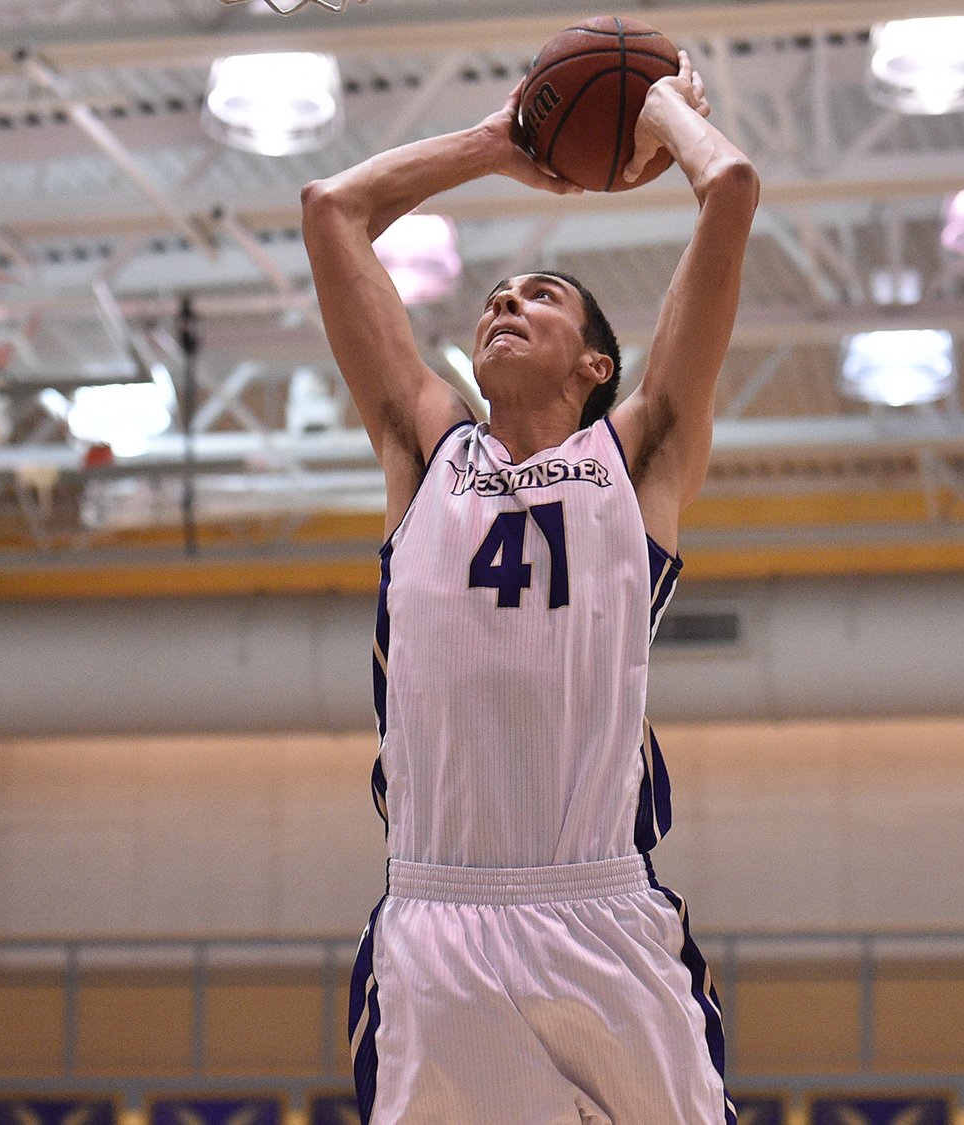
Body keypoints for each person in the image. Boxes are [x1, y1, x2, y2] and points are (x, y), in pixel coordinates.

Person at [301, 49, 757, 1125]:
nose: (504, 302)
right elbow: (332, 210)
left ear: (596, 364)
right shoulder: (426, 453)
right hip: (434, 919)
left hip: (600, 913)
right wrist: (497, 146)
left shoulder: (637, 459)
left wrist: (657, 112)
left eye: (539, 296)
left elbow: (728, 189)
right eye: (495, 296)